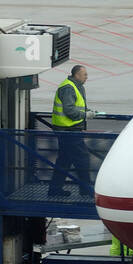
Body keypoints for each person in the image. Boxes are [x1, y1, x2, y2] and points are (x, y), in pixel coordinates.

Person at [48, 65, 99, 197]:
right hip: (68, 130)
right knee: (82, 158)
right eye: (85, 75)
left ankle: (54, 189)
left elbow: (75, 107)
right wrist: (84, 115)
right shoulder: (68, 88)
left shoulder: (75, 86)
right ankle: (86, 191)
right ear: (77, 75)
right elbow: (69, 110)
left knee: (64, 160)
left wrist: (87, 112)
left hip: (68, 129)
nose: (87, 77)